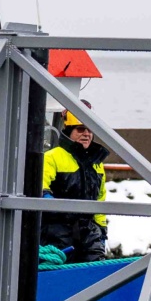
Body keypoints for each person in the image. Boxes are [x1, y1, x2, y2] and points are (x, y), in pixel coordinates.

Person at [40, 112, 110, 262]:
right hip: (57, 231)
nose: (86, 134)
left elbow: (100, 200)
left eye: (89, 130)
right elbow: (41, 186)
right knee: (58, 273)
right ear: (69, 132)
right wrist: (48, 199)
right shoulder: (52, 157)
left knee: (96, 272)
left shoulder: (97, 163)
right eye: (80, 129)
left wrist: (102, 231)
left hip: (89, 232)